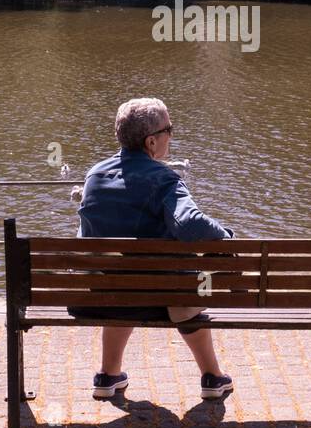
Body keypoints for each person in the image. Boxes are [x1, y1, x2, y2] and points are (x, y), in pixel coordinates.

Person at [69, 97, 234, 400]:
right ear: (152, 142)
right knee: (185, 294)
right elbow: (190, 225)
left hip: (103, 296)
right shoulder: (165, 179)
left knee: (124, 281)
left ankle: (107, 375)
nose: (172, 134)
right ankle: (212, 377)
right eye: (169, 129)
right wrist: (226, 236)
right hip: (163, 296)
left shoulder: (94, 176)